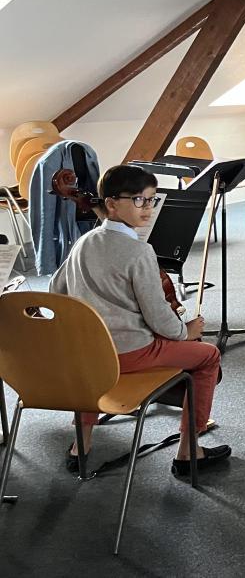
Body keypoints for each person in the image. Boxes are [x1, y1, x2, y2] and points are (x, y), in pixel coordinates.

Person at [49, 165, 228, 477]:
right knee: (209, 356)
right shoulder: (139, 251)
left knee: (91, 368)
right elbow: (160, 319)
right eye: (138, 200)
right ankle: (189, 451)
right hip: (132, 354)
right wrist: (186, 331)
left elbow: (56, 290)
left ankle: (81, 445)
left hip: (91, 353)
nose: (147, 208)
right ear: (112, 204)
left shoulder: (83, 244)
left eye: (150, 200)